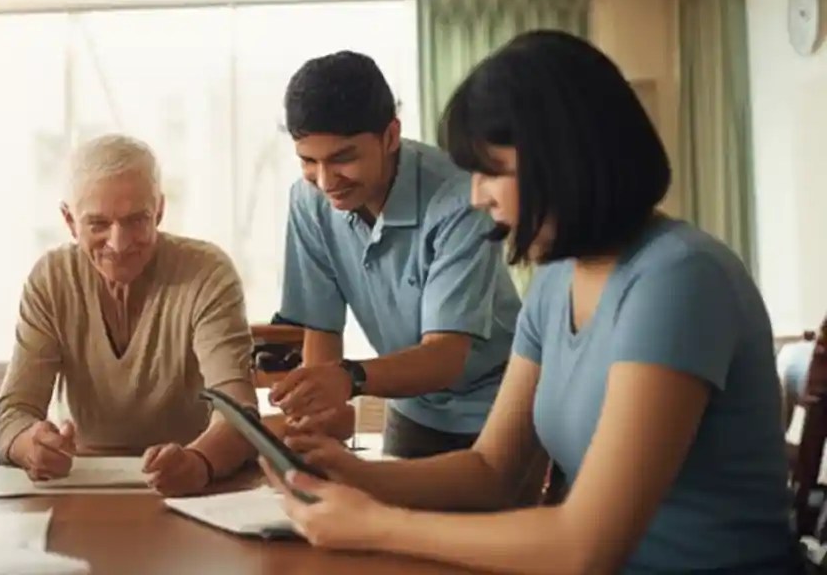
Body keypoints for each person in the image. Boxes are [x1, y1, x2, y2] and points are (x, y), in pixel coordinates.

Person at [265, 31, 795, 573]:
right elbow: (492, 471)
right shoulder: (556, 279)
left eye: (491, 171)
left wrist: (377, 523)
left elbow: (582, 546)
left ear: (562, 161)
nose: (477, 195)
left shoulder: (678, 280)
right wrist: (351, 476)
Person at [269, 50, 521, 458]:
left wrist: (347, 378)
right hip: (412, 408)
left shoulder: (460, 197)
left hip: (497, 404)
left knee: (480, 513)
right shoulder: (308, 199)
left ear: (390, 137)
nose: (326, 180)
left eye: (343, 158)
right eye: (308, 161)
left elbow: (445, 356)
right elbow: (321, 327)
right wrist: (318, 414)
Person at [0, 134, 257, 496]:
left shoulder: (207, 273)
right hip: (83, 489)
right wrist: (31, 446)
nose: (118, 244)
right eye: (98, 224)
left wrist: (199, 462)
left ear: (160, 211)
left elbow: (238, 413)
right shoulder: (51, 279)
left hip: (191, 487)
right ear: (70, 221)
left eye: (137, 221)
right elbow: (13, 414)